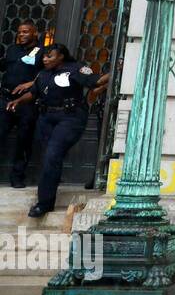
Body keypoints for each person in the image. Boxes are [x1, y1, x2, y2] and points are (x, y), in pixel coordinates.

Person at [6, 43, 108, 217]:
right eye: (44, 56)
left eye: (49, 56)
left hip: (70, 117)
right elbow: (33, 92)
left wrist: (118, 71)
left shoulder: (76, 69)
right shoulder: (43, 73)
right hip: (46, 118)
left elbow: (95, 81)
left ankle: (43, 204)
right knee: (49, 158)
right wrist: (19, 101)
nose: (45, 59)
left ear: (61, 56)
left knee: (53, 154)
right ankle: (48, 194)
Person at [0, 20, 44, 188]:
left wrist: (31, 83)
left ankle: (17, 177)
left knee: (24, 141)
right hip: (5, 99)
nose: (22, 34)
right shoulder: (12, 50)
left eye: (26, 31)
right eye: (19, 32)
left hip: (27, 103)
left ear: (35, 33)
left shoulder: (42, 51)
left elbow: (48, 72)